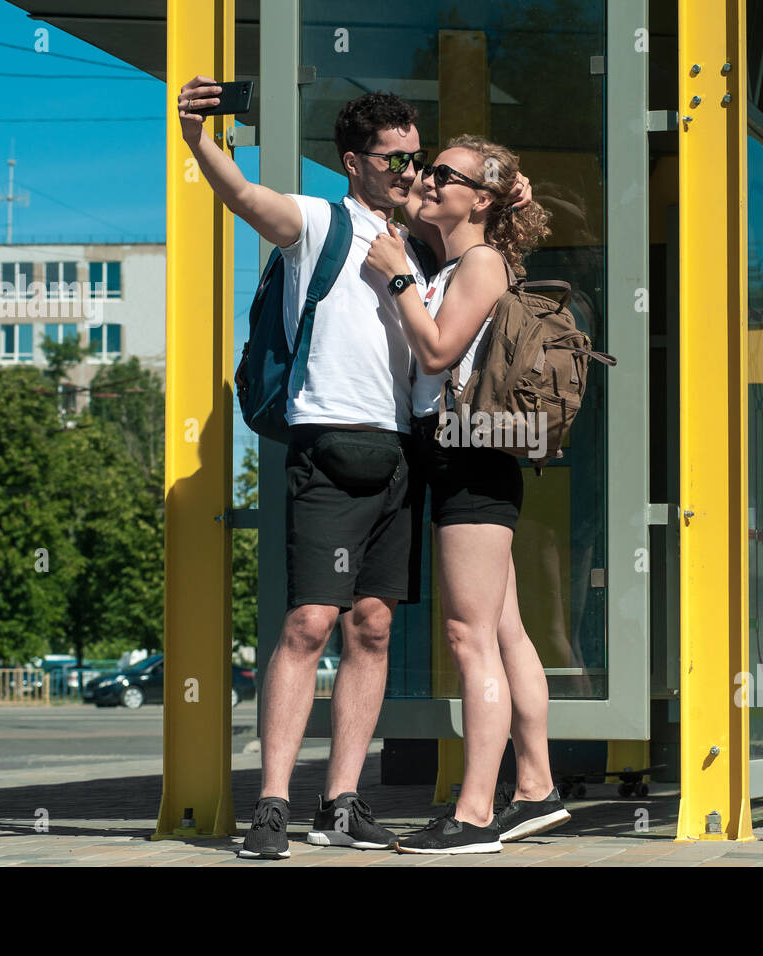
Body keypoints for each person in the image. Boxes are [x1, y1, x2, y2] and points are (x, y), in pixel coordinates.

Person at [177, 79, 531, 859]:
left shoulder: (425, 240)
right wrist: (202, 140)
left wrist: (504, 187)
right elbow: (244, 196)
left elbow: (488, 224)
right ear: (353, 162)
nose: (411, 172)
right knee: (309, 622)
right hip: (329, 443)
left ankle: (340, 805)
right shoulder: (320, 220)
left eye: (417, 158)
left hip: (404, 450)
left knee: (372, 627)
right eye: (395, 159)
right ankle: (271, 802)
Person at [365, 136, 571, 853]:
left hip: (468, 456)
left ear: (477, 199)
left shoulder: (479, 262)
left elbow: (436, 351)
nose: (423, 178)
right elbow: (405, 205)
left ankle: (476, 814)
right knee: (505, 631)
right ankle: (538, 786)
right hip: (462, 452)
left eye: (441, 174)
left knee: (468, 637)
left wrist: (395, 279)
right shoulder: (460, 254)